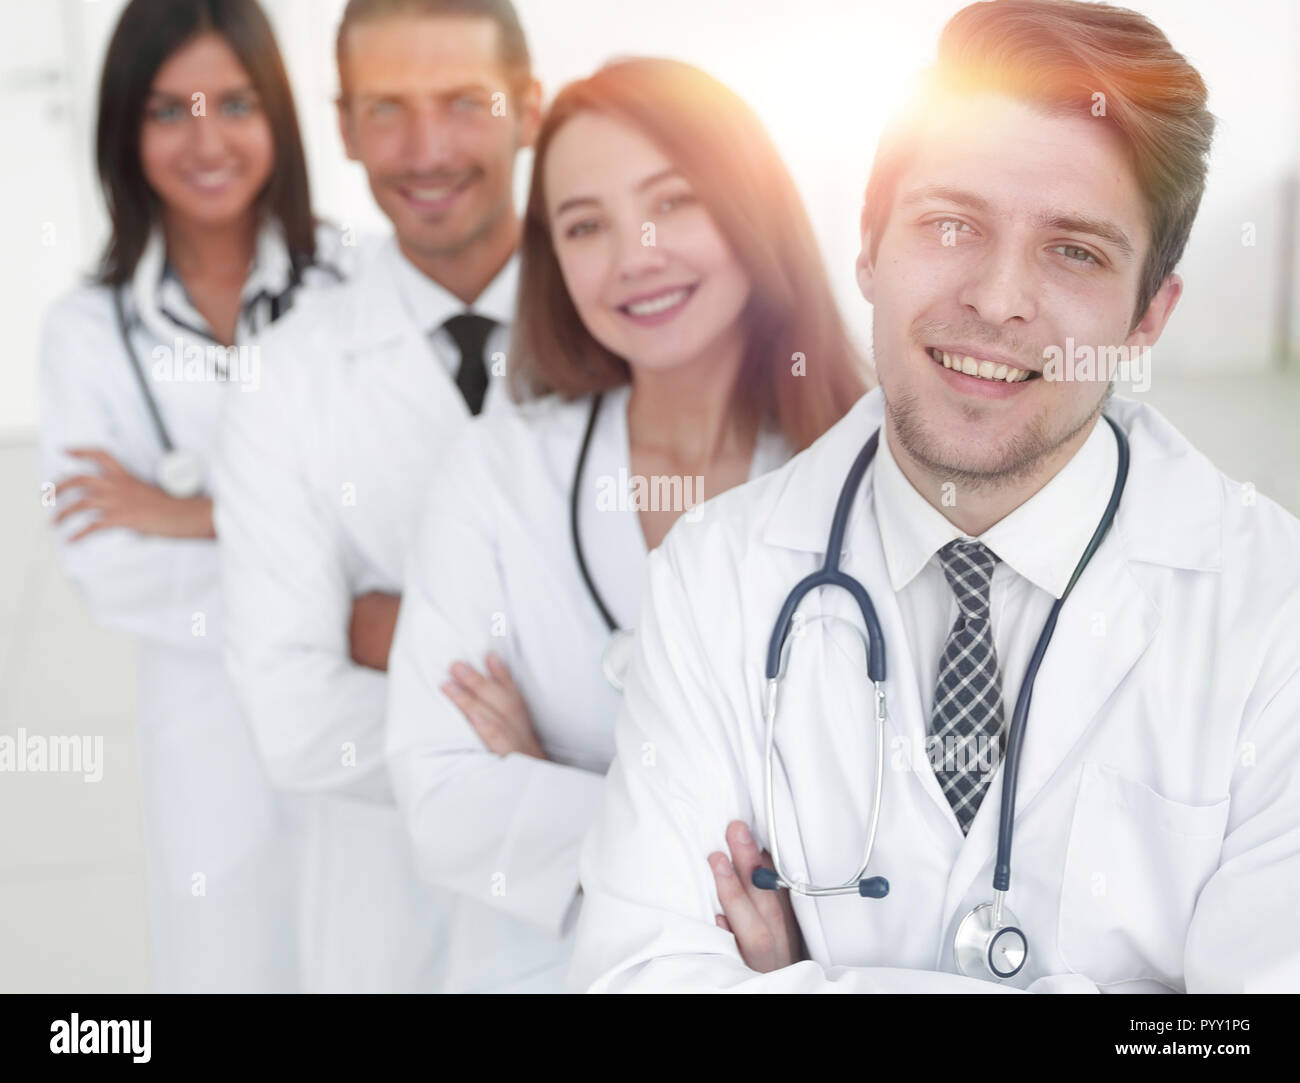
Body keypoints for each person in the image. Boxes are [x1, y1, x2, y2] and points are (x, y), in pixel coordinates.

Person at [571, 0, 1300, 994]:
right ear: (866, 247)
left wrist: (800, 979)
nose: (998, 299)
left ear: (1146, 319)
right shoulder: (716, 577)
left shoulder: (1272, 610)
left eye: (1074, 250)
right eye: (951, 224)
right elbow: (635, 976)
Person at [384, 57, 869, 993]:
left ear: (750, 205)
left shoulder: (867, 475)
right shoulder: (495, 475)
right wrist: (737, 863)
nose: (634, 254)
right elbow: (442, 795)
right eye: (584, 225)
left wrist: (544, 780)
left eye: (672, 202)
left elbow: (889, 829)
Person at [214, 0, 540, 991]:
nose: (427, 148)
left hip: (619, 920)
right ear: (345, 126)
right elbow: (294, 719)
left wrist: (401, 637)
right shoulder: (284, 376)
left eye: (463, 102)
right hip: (392, 928)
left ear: (529, 109)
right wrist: (569, 722)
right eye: (387, 109)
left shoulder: (644, 327)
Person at [37, 0, 345, 992]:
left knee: (376, 949)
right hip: (205, 719)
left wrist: (193, 515)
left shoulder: (357, 285)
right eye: (169, 110)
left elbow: (400, 519)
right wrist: (315, 568)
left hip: (361, 706)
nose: (205, 141)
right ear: (126, 130)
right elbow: (108, 569)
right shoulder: (88, 332)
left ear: (280, 117)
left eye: (234, 104)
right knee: (224, 959)